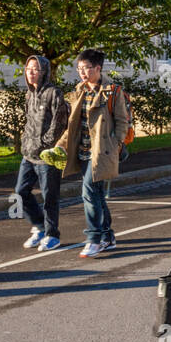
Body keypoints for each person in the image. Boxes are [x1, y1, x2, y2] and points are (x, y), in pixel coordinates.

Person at [45, 48, 129, 258]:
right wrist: (60, 145)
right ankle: (108, 236)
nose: (82, 72)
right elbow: (73, 125)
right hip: (81, 151)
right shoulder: (79, 90)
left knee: (88, 192)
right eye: (79, 68)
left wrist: (116, 144)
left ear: (98, 68)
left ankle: (93, 238)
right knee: (97, 194)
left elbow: (122, 122)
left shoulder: (113, 91)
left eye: (87, 68)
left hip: (101, 152)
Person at [16, 55, 69, 251]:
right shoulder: (29, 94)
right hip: (28, 154)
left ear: (44, 71)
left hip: (47, 155)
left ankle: (52, 234)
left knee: (50, 196)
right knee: (20, 192)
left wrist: (45, 143)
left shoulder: (53, 93)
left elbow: (59, 122)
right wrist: (27, 142)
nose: (31, 72)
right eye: (28, 69)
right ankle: (39, 226)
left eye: (35, 69)